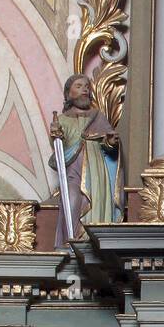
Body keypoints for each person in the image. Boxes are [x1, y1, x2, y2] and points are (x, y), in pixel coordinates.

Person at [49, 72, 124, 243]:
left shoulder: (98, 117)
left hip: (96, 174)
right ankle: (70, 240)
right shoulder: (61, 120)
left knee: (96, 205)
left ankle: (92, 241)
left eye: (87, 87)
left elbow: (109, 145)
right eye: (79, 86)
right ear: (68, 94)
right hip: (73, 172)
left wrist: (111, 142)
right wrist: (56, 135)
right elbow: (59, 149)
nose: (84, 90)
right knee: (72, 198)